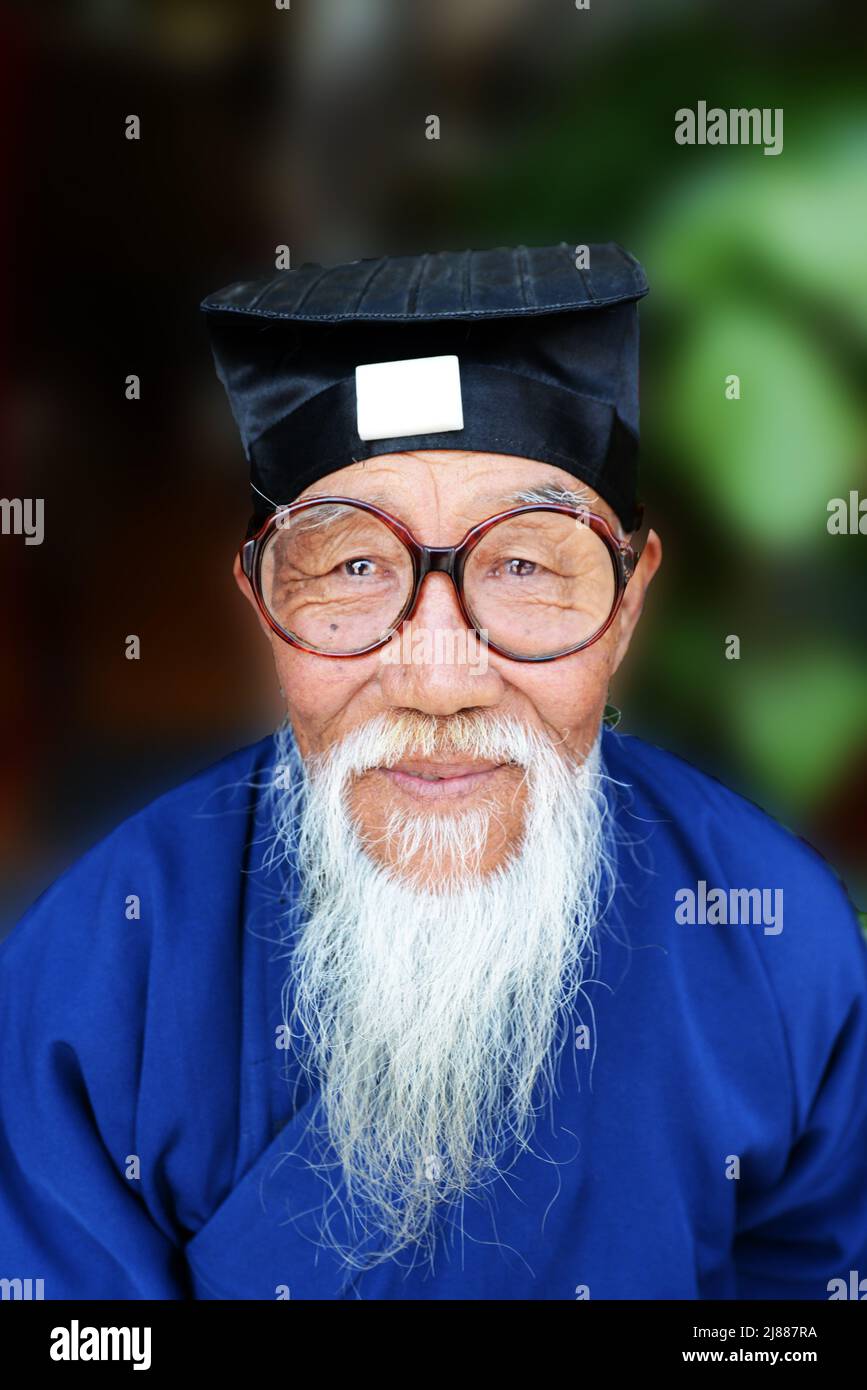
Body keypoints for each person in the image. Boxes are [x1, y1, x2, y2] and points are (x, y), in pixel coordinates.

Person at [1, 243, 865, 1301]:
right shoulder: (96, 966)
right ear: (261, 606)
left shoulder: (783, 945)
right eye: (357, 567)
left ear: (629, 601)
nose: (442, 676)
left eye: (524, 564)